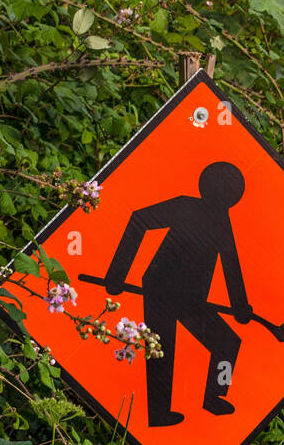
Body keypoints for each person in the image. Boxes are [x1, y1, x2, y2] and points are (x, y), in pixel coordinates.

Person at [104, 162, 252, 426]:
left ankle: (213, 397)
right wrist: (117, 275)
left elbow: (231, 266)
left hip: (193, 299)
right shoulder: (185, 207)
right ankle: (159, 415)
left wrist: (240, 306)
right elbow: (139, 220)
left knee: (227, 343)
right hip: (160, 290)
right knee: (160, 350)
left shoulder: (222, 222)